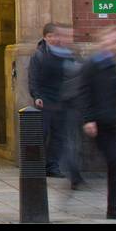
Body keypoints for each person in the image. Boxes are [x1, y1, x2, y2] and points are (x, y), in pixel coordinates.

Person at [79, 26, 116, 220]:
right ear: (103, 40)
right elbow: (84, 92)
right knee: (115, 163)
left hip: (111, 122)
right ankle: (114, 208)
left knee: (115, 164)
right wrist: (88, 119)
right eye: (113, 40)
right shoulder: (93, 63)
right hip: (99, 123)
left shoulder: (112, 63)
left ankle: (114, 208)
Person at [28, 22, 83, 186]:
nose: (53, 39)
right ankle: (37, 164)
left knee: (58, 135)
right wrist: (36, 95)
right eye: (49, 36)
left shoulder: (65, 54)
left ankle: (52, 166)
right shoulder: (38, 55)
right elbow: (33, 77)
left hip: (61, 101)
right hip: (45, 100)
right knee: (43, 133)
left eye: (54, 36)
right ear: (45, 37)